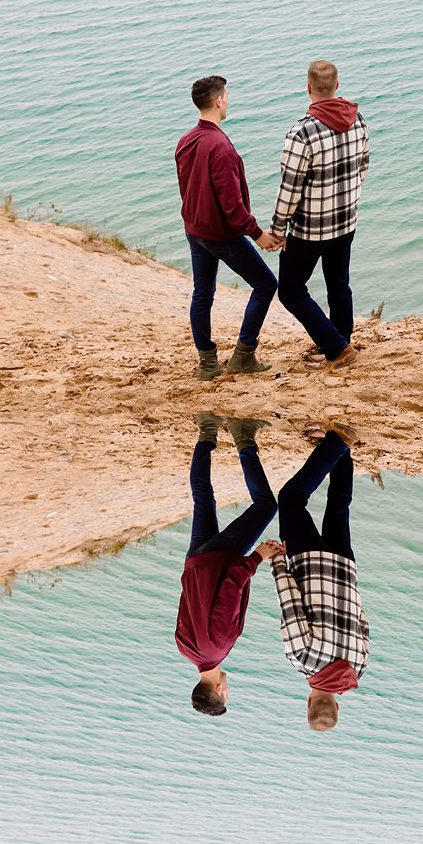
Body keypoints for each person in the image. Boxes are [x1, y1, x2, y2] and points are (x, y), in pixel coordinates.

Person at [176, 413, 282, 715]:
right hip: (195, 562)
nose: (228, 691)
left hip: (220, 559)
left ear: (219, 690)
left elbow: (231, 587)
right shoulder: (185, 650)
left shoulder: (220, 645)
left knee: (266, 506)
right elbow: (188, 601)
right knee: (202, 499)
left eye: (226, 695)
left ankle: (243, 437)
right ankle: (207, 431)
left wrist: (257, 557)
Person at [268, 60, 370, 371]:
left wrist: (276, 229)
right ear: (336, 87)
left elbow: (290, 188)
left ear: (309, 88)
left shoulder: (302, 133)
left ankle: (337, 348)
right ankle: (340, 341)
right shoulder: (358, 120)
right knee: (339, 284)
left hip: (310, 229)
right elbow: (363, 168)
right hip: (346, 219)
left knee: (290, 291)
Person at [175, 74, 278, 379]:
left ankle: (207, 363)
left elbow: (186, 187)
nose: (228, 101)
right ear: (219, 101)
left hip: (194, 229)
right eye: (227, 97)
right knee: (265, 284)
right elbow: (232, 208)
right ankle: (243, 354)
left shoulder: (186, 140)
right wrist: (258, 234)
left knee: (202, 294)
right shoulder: (220, 146)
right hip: (219, 233)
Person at [270, 424, 368, 731]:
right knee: (290, 499)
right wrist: (276, 563)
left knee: (339, 507)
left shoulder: (359, 668)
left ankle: (342, 451)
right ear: (309, 703)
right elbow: (290, 602)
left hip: (345, 570)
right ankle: (338, 441)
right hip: (310, 563)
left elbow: (363, 622)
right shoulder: (303, 658)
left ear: (336, 704)